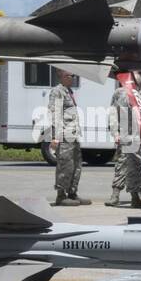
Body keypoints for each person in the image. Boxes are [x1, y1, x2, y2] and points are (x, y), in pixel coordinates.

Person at [106, 70, 141, 209]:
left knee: (133, 166)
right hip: (135, 136)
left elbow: (113, 114)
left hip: (129, 136)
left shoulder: (132, 95)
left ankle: (137, 198)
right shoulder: (129, 96)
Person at [47, 69, 89, 207]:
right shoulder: (57, 91)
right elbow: (55, 115)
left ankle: (72, 193)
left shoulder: (68, 91)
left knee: (76, 165)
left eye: (73, 76)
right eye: (70, 76)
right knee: (65, 165)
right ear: (63, 77)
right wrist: (56, 137)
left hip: (73, 135)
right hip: (64, 136)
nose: (72, 78)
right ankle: (61, 195)